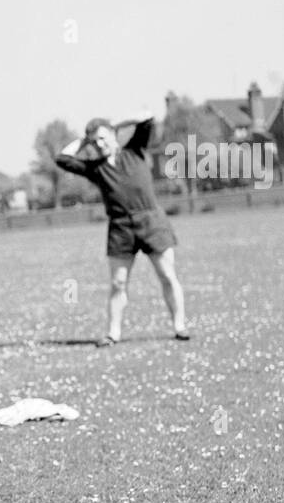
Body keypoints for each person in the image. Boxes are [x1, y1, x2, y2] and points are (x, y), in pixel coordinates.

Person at [56, 117, 188, 346]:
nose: (99, 145)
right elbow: (62, 159)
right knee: (118, 283)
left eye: (102, 138)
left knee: (167, 275)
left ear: (113, 135)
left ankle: (179, 325)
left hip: (152, 222)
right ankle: (113, 333)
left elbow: (146, 118)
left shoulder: (134, 151)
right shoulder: (95, 168)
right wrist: (84, 140)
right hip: (120, 229)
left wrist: (117, 123)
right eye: (94, 142)